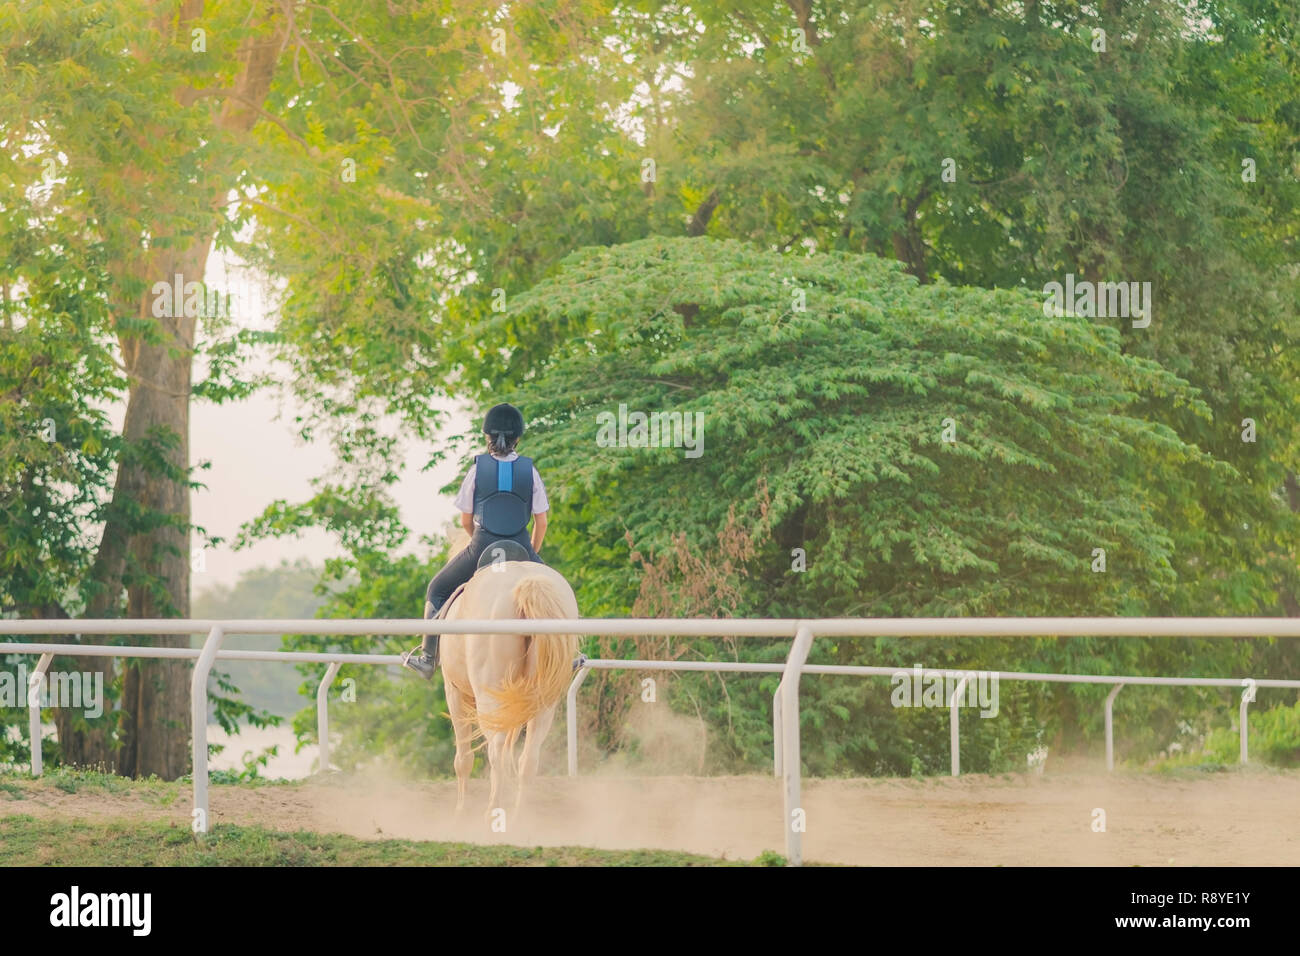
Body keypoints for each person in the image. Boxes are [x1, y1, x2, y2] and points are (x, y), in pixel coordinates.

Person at [401, 403, 549, 679]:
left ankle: (427, 658)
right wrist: (530, 554)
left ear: (487, 437)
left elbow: (465, 521)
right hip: (521, 547)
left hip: (482, 546)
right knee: (556, 592)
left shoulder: (477, 470)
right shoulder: (531, 471)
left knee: (437, 590)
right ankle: (569, 657)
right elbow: (542, 522)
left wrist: (478, 544)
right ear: (518, 438)